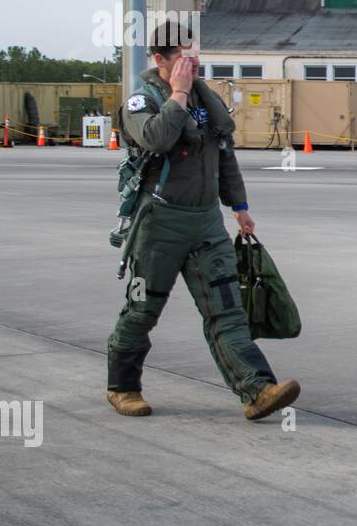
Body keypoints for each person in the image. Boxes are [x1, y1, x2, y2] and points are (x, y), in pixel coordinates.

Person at [106, 22, 301, 421]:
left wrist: (239, 206)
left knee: (227, 310)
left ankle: (257, 390)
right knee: (143, 309)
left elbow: (224, 155)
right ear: (160, 59)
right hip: (157, 225)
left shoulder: (206, 102)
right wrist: (177, 94)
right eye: (181, 55)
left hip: (205, 223)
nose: (191, 63)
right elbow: (157, 139)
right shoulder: (140, 103)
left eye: (194, 55)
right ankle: (123, 387)